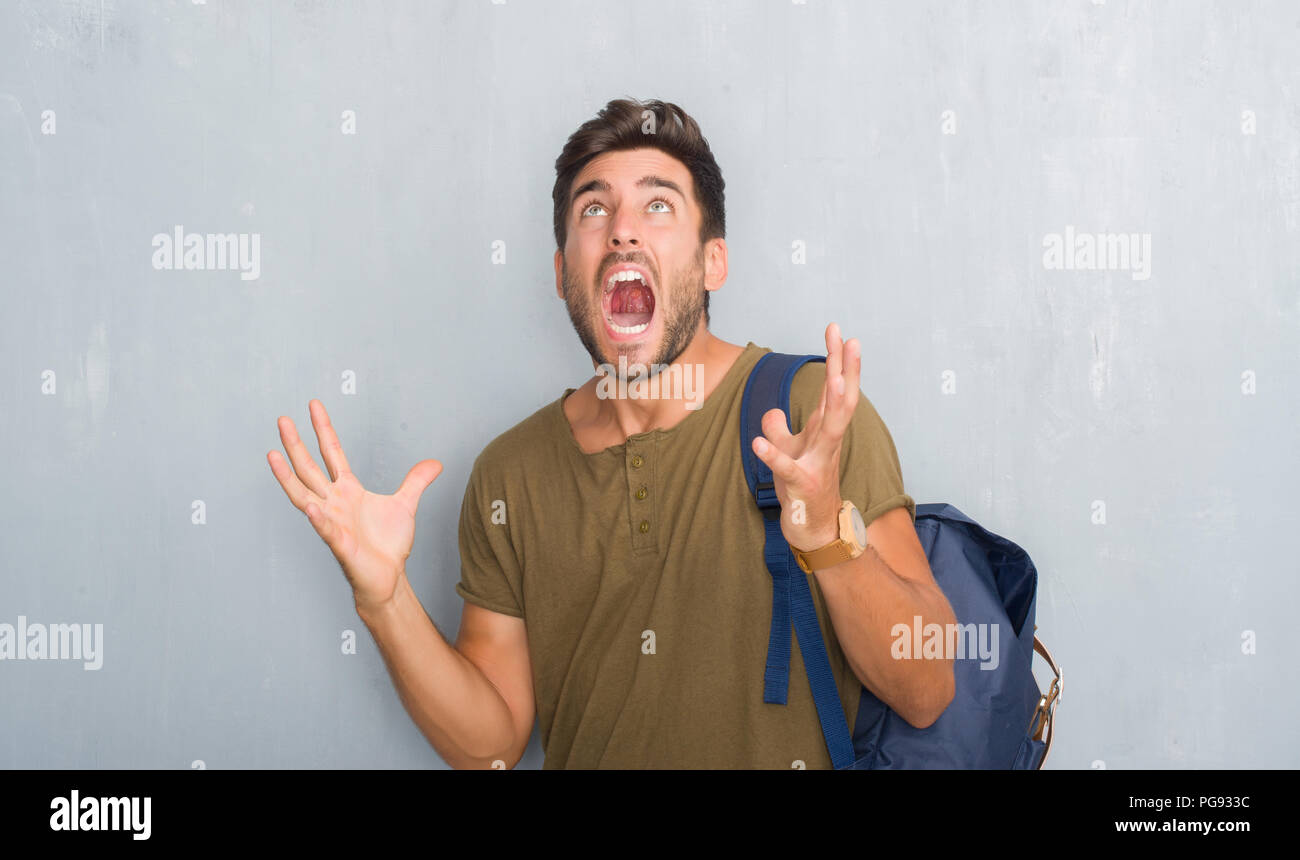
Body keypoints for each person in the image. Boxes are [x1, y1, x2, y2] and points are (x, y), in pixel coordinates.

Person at [267, 98, 956, 769]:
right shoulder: (511, 475)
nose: (622, 228)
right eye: (593, 208)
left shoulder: (813, 415)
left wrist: (827, 535)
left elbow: (927, 692)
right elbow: (493, 747)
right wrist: (386, 603)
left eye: (658, 205)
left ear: (713, 261)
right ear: (564, 273)